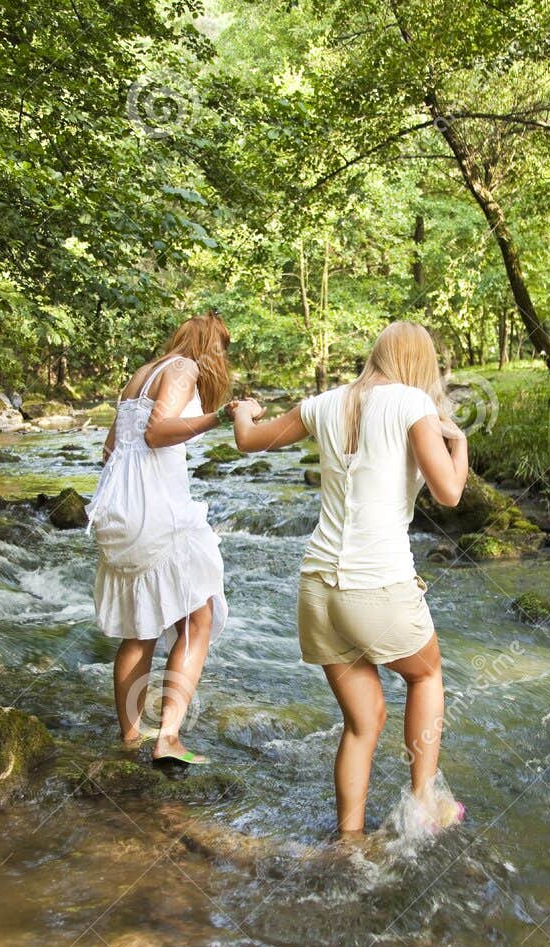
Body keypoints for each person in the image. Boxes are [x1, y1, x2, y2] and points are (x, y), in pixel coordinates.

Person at [231, 321, 469, 834]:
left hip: (317, 590)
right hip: (376, 585)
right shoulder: (413, 404)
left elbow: (250, 440)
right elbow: (449, 493)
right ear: (418, 363)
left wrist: (243, 412)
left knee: (363, 723)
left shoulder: (324, 403)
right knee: (426, 674)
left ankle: (349, 842)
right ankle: (423, 802)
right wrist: (460, 441)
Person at [87, 313, 237, 772]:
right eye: (223, 348)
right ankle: (168, 736)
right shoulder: (185, 369)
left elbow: (111, 448)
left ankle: (130, 740)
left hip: (123, 511)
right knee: (200, 617)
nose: (223, 358)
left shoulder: (141, 374)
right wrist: (217, 418)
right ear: (210, 345)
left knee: (141, 629)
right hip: (161, 510)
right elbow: (157, 432)